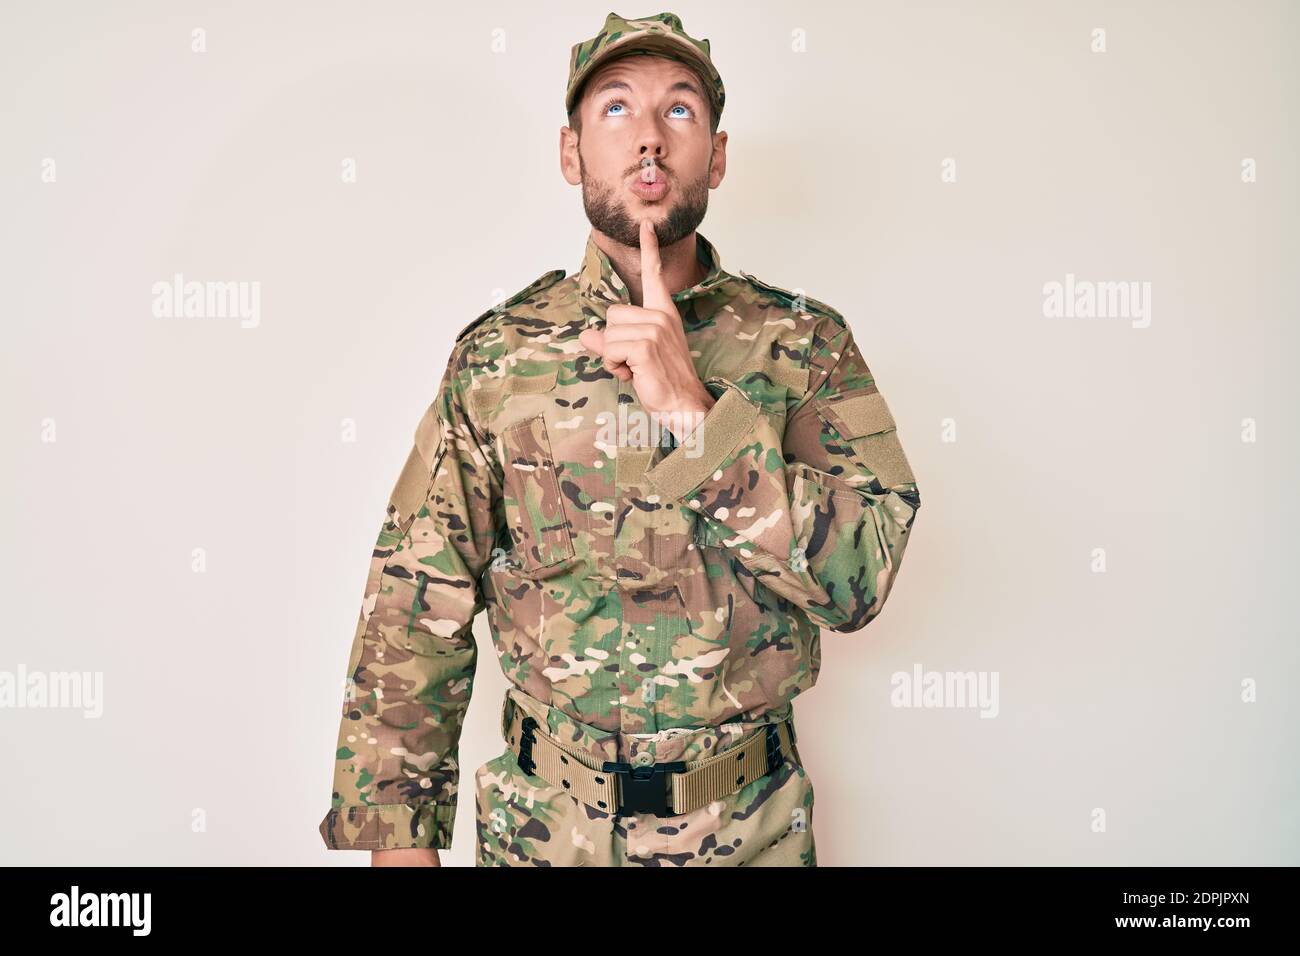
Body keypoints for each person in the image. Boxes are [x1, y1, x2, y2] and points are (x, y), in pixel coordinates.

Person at [317, 11, 921, 867]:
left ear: (716, 156)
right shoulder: (497, 358)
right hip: (541, 837)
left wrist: (700, 415)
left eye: (679, 111)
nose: (648, 137)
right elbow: (415, 606)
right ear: (571, 155)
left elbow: (862, 580)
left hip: (749, 837)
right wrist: (398, 842)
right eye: (615, 109)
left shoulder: (806, 344)